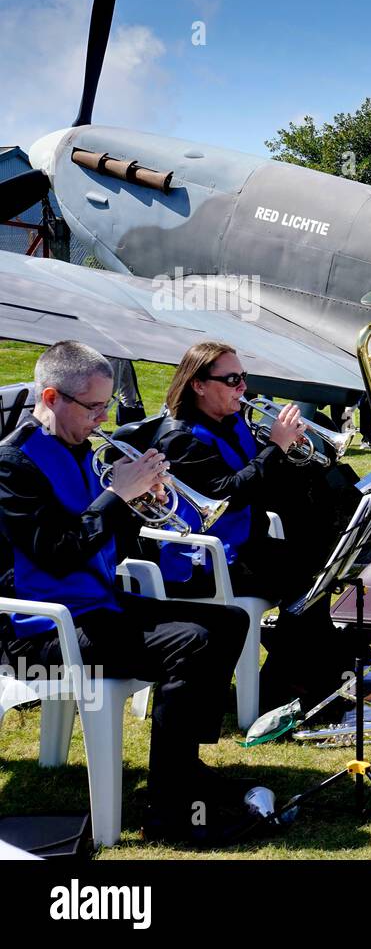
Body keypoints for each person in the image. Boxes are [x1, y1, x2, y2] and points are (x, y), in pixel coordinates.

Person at [0, 341, 250, 845]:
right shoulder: (13, 466)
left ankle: (182, 766)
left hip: (97, 608)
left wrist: (146, 501)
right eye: (93, 407)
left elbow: (109, 545)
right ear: (51, 397)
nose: (102, 418)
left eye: (106, 405)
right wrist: (117, 496)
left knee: (229, 621)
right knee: (193, 642)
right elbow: (58, 552)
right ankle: (169, 811)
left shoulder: (80, 450)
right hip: (43, 632)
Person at [153, 341, 369, 713]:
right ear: (198, 385)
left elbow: (266, 485)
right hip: (201, 560)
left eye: (244, 378)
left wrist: (295, 453)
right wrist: (274, 448)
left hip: (244, 546)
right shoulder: (180, 438)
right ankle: (307, 681)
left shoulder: (231, 421)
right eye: (232, 379)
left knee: (317, 572)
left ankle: (300, 680)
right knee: (305, 582)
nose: (243, 388)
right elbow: (227, 496)